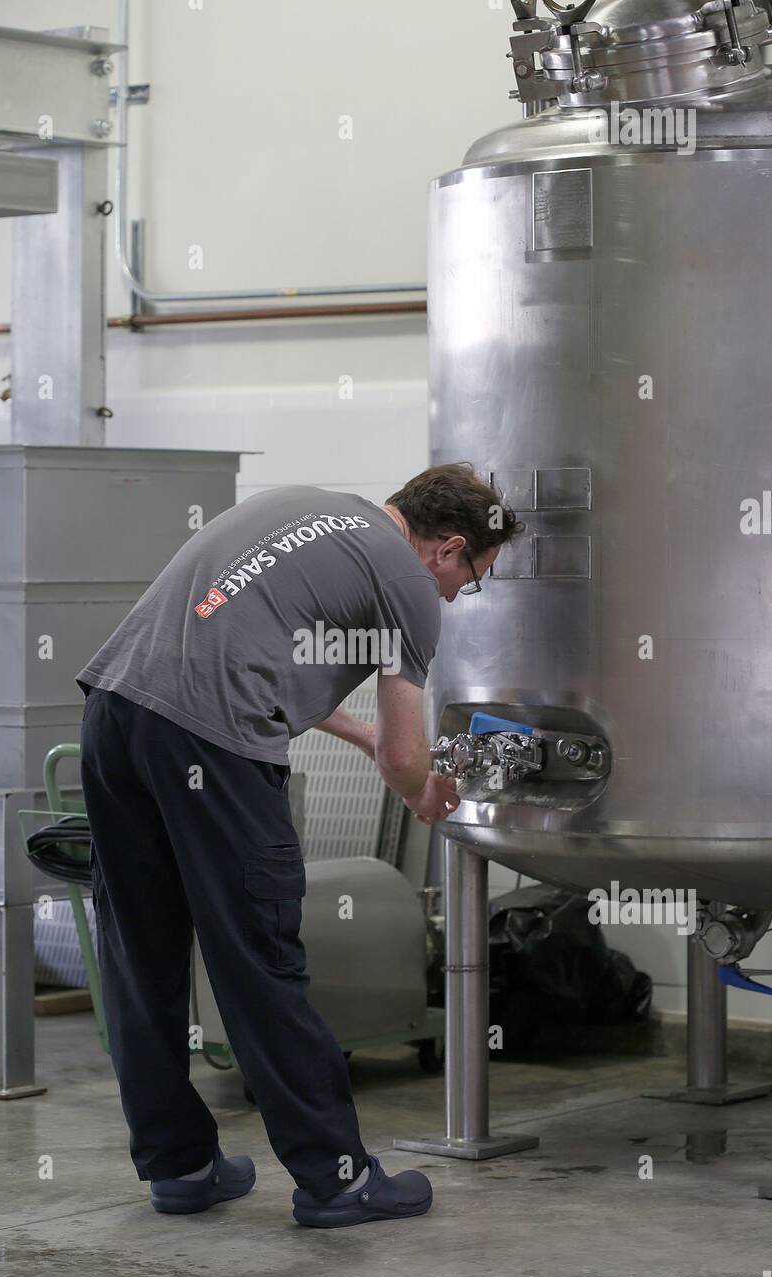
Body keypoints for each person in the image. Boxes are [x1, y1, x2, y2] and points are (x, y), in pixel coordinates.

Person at [76, 462, 521, 1228]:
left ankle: (179, 1166)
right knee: (259, 958)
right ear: (448, 549)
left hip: (116, 716)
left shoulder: (308, 507)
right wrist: (423, 790)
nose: (456, 595)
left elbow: (246, 647)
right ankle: (336, 1178)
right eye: (471, 577)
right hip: (209, 748)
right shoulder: (410, 588)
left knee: (138, 953)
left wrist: (362, 733)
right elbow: (409, 761)